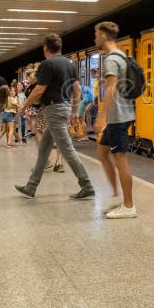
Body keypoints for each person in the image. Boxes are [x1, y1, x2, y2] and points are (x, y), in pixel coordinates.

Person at [14, 34, 95, 200]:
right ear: (60, 47)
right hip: (63, 107)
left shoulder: (47, 64)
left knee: (67, 149)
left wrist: (23, 107)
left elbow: (38, 90)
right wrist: (73, 111)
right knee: (44, 149)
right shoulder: (69, 64)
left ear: (45, 48)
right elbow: (77, 90)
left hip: (53, 109)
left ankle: (87, 185)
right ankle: (31, 187)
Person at [94, 21, 137, 219]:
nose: (95, 39)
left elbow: (111, 88)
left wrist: (100, 117)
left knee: (120, 159)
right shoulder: (121, 55)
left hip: (118, 116)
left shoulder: (111, 59)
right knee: (102, 152)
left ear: (103, 36)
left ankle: (129, 206)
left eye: (96, 35)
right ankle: (116, 196)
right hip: (120, 114)